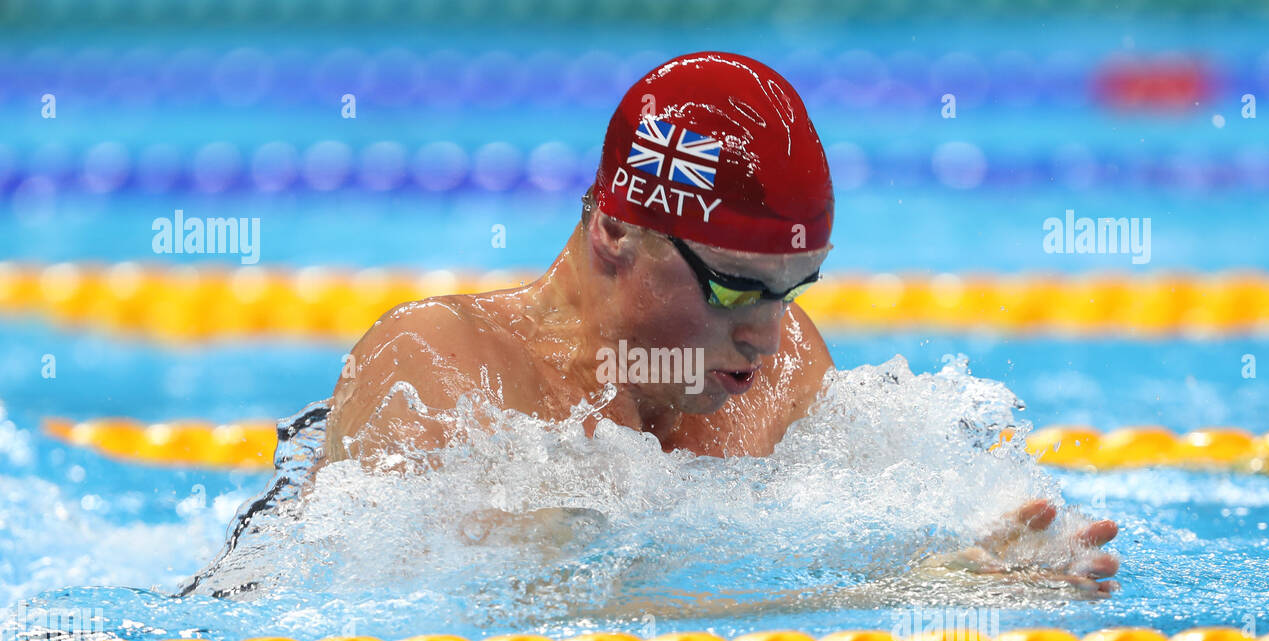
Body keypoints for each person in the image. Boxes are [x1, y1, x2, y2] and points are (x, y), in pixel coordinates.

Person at [321, 51, 1119, 593]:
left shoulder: (787, 368)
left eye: (794, 289)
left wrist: (971, 550)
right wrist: (895, 594)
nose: (770, 339)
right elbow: (491, 621)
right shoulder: (441, 367)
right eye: (737, 289)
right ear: (615, 231)